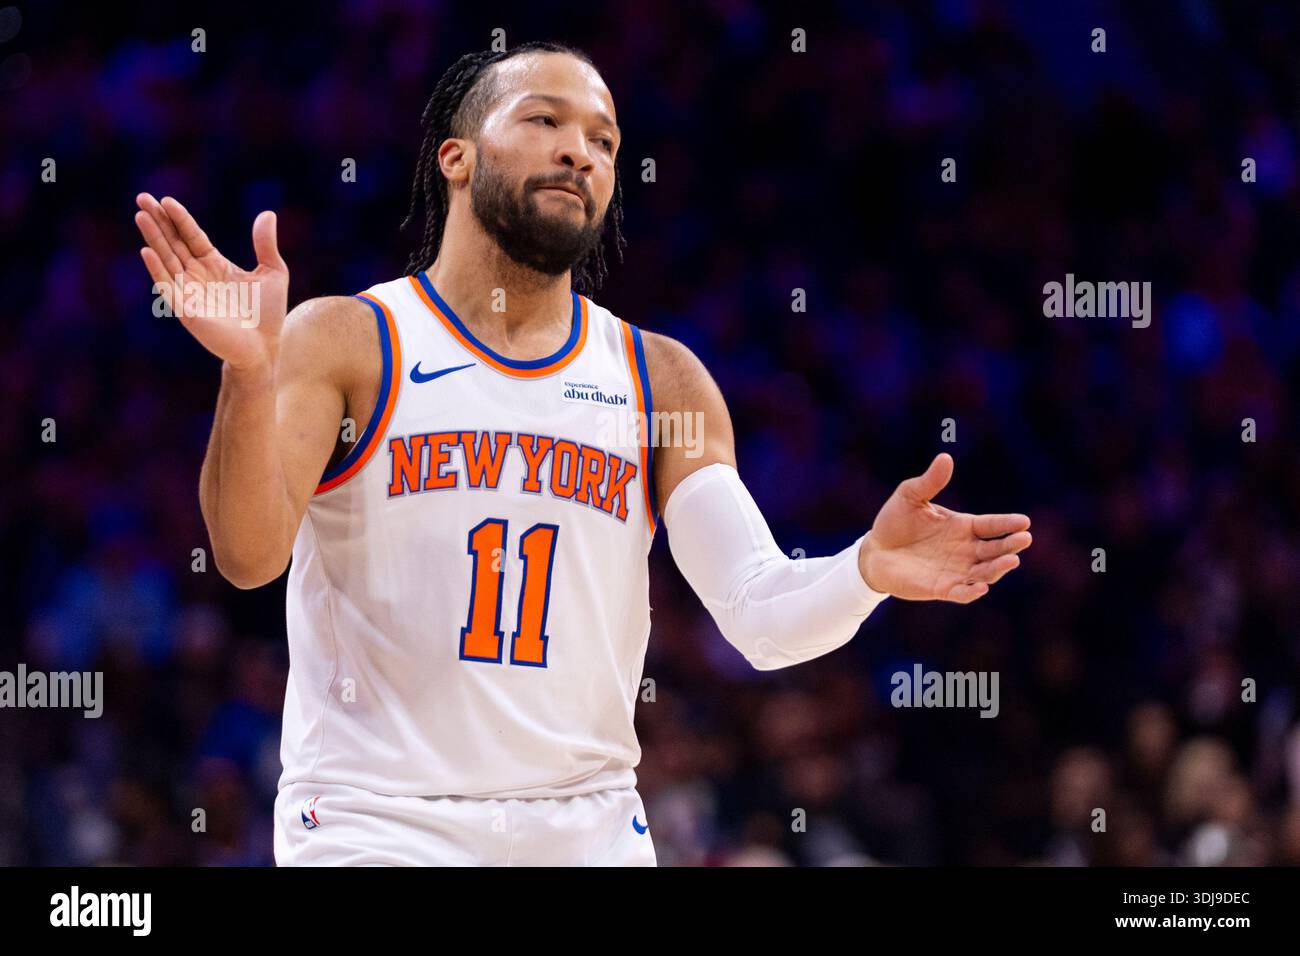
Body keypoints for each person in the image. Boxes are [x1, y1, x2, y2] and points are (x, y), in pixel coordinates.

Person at [132, 41, 1032, 866]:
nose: (580, 152)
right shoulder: (348, 339)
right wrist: (250, 373)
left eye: (603, 140)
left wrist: (864, 570)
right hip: (377, 822)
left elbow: (759, 615)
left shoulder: (659, 382)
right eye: (544, 121)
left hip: (588, 828)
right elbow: (247, 558)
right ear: (457, 157)